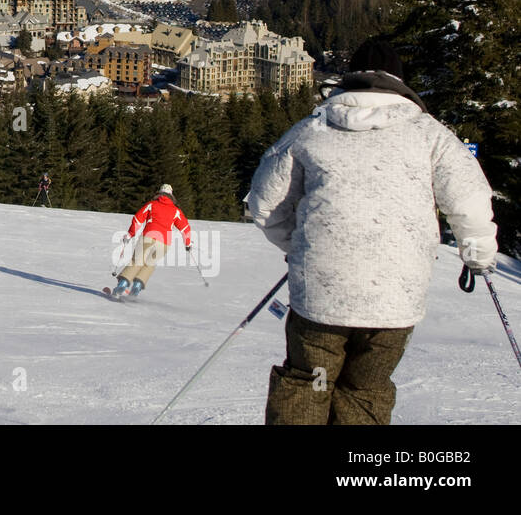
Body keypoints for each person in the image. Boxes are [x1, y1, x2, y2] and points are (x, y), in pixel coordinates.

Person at [247, 38, 497, 425]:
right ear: (399, 83)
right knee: (364, 390)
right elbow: (469, 200)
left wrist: (300, 245)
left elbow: (264, 205)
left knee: (309, 382)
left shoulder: (311, 130)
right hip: (395, 298)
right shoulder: (430, 135)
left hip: (321, 293)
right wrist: (478, 250)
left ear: (350, 80)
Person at [113, 184, 192, 297]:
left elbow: (137, 219)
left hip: (148, 237)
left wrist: (130, 234)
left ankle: (122, 285)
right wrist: (188, 244)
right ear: (171, 195)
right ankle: (136, 288)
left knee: (137, 261)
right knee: (149, 264)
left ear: (159, 193)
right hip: (164, 243)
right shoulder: (176, 211)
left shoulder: (152, 204)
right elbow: (185, 228)